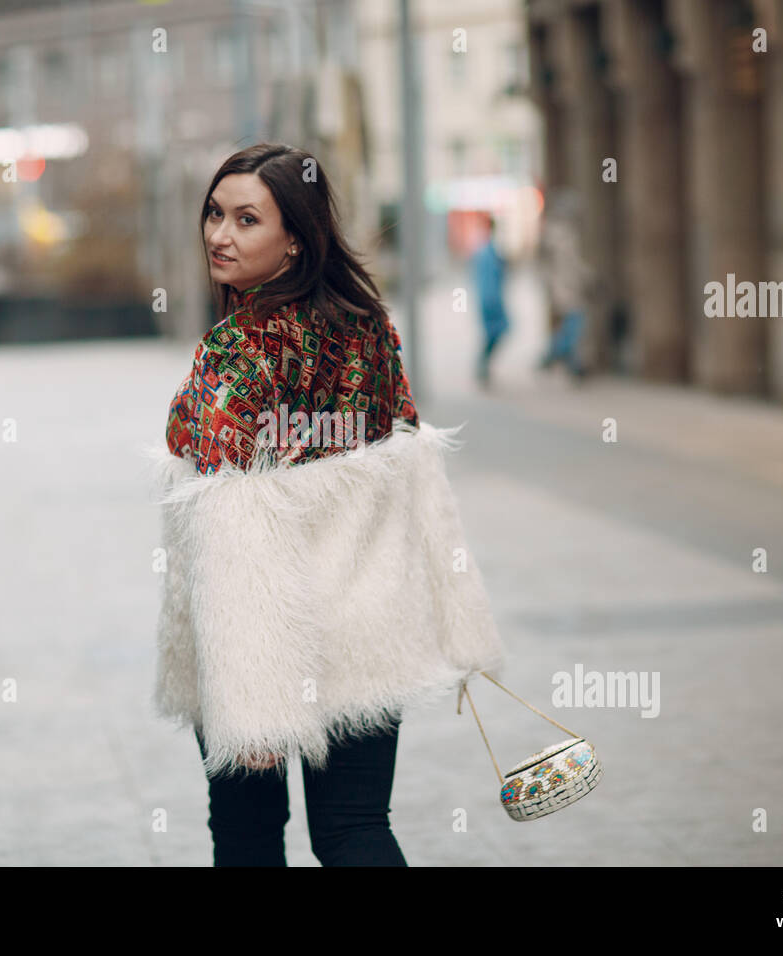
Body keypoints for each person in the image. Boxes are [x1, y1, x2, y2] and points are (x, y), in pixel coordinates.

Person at [145, 143, 506, 867]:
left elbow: (229, 518)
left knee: (247, 833)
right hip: (364, 620)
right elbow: (404, 467)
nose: (220, 234)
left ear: (295, 242)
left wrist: (248, 683)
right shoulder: (368, 328)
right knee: (357, 826)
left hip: (261, 636)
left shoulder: (236, 350)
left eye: (247, 220)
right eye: (215, 214)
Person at [535, 189, 594, 381]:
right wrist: (589, 278)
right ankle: (552, 355)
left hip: (565, 287)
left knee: (573, 325)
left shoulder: (556, 234)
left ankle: (574, 367)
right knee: (575, 323)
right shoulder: (562, 236)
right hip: (566, 288)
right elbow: (571, 265)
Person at [471, 212, 510, 389]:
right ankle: (482, 367)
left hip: (491, 297)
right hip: (490, 299)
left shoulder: (490, 250)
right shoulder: (486, 252)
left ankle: (483, 367)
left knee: (495, 332)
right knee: (497, 331)